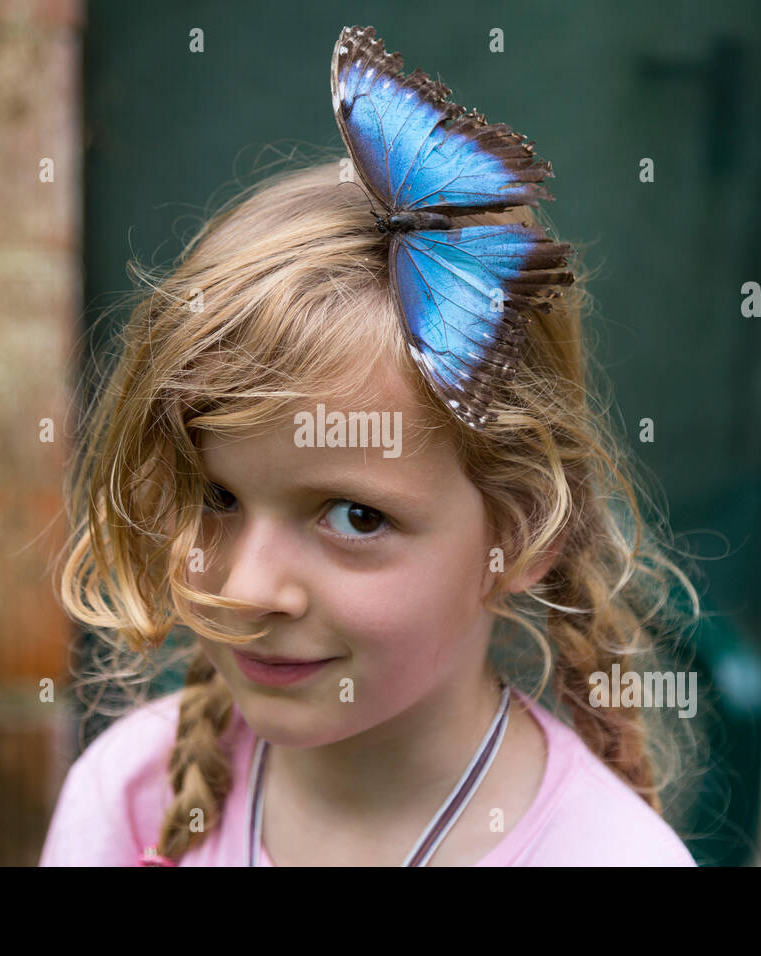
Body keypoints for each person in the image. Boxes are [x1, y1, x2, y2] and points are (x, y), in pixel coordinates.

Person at [38, 147, 706, 865]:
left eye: (355, 517)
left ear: (520, 533)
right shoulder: (126, 797)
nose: (248, 589)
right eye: (215, 496)